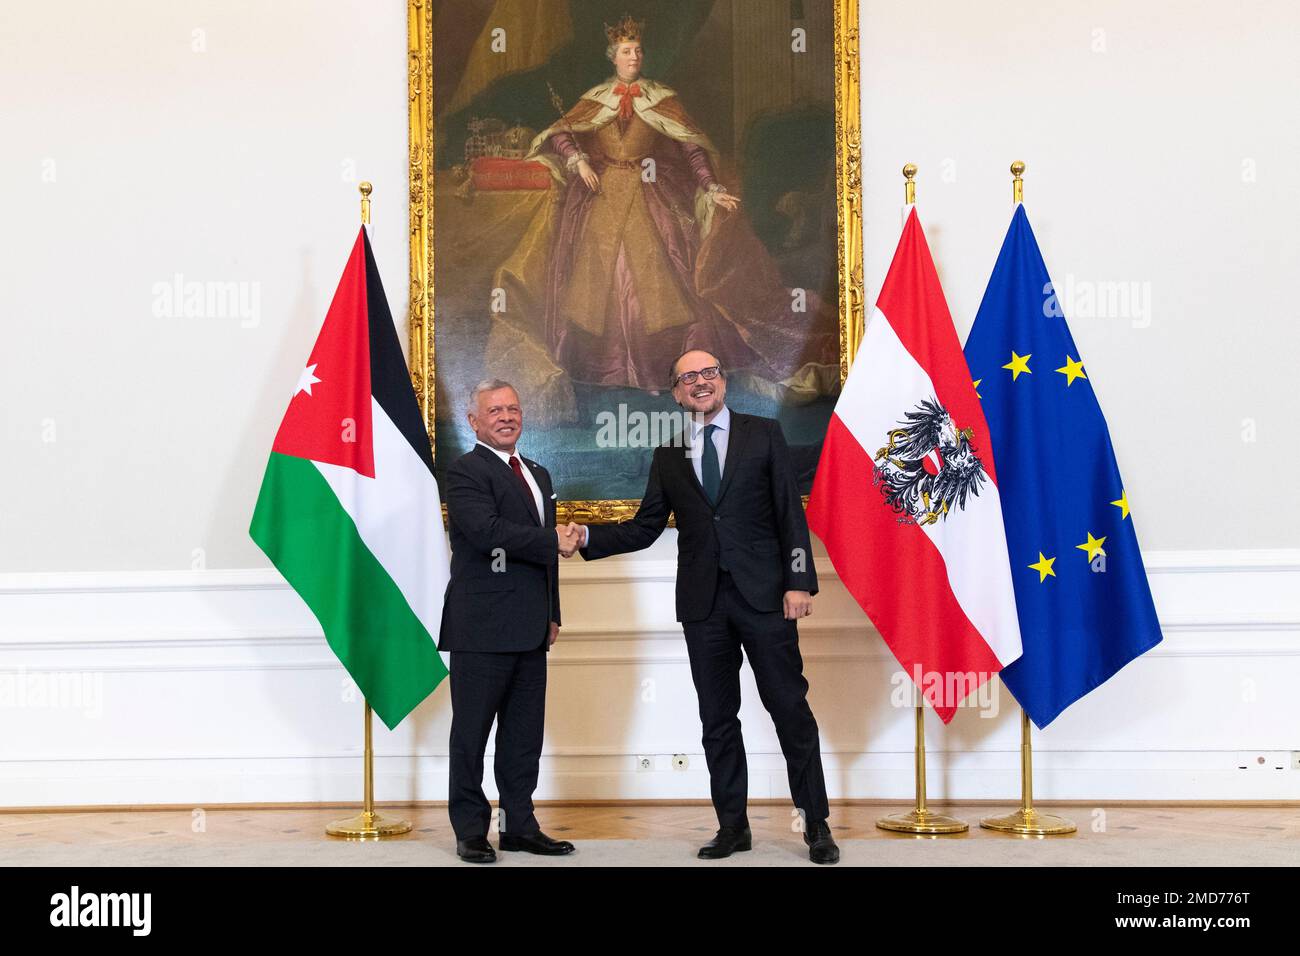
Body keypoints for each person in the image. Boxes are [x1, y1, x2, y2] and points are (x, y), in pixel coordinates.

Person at [567, 350, 839, 864]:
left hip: (766, 599)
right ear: (675, 392)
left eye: (708, 373)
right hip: (703, 605)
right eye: (688, 377)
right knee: (717, 718)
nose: (700, 383)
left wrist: (799, 581)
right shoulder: (669, 453)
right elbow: (645, 528)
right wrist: (585, 536)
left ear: (723, 381)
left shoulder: (764, 434)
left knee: (790, 710)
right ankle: (732, 827)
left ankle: (817, 825)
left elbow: (788, 512)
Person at [524, 14, 759, 390]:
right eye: (626, 51)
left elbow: (692, 148)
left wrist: (711, 187)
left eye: (638, 51)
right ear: (612, 57)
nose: (634, 57)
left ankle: (660, 367)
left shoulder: (661, 99)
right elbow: (560, 134)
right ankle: (601, 368)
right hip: (600, 194)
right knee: (598, 274)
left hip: (648, 192)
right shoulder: (595, 100)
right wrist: (578, 158)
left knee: (657, 270)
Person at [439, 378, 582, 863]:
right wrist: (551, 542)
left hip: (530, 627)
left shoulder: (538, 473)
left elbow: (547, 558)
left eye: (513, 409)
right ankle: (471, 830)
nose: (505, 417)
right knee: (472, 735)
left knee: (524, 736)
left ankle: (519, 825)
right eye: (494, 410)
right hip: (480, 627)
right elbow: (486, 533)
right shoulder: (464, 472)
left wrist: (552, 612)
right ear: (474, 421)